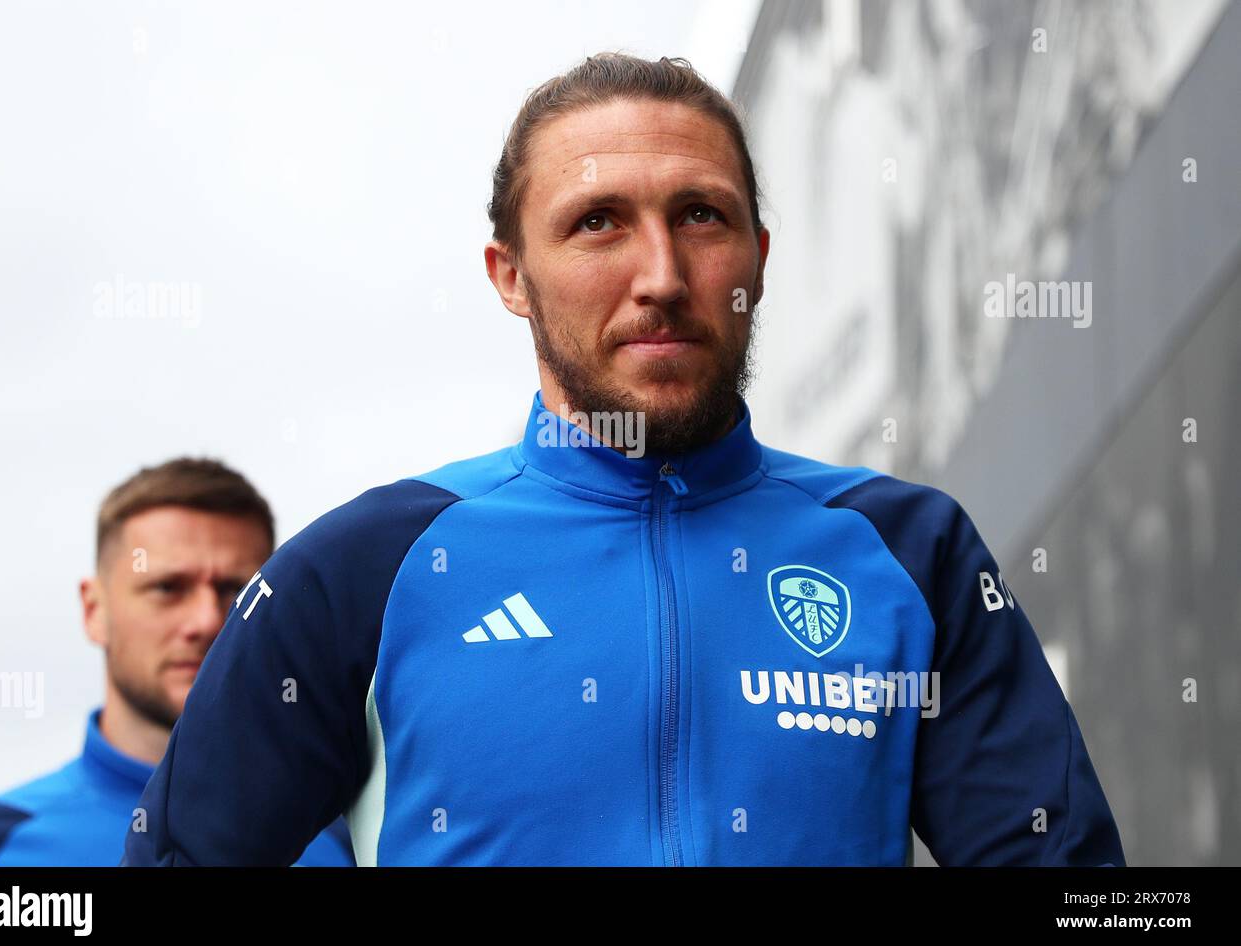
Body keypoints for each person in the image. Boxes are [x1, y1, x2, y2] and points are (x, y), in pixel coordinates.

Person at [123, 54, 1123, 866]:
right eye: (597, 222)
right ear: (509, 276)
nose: (662, 275)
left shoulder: (910, 552)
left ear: (760, 257)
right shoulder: (365, 566)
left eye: (700, 215)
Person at [0, 458, 353, 866]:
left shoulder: (358, 846)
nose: (207, 620)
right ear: (94, 610)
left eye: (236, 591)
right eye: (167, 587)